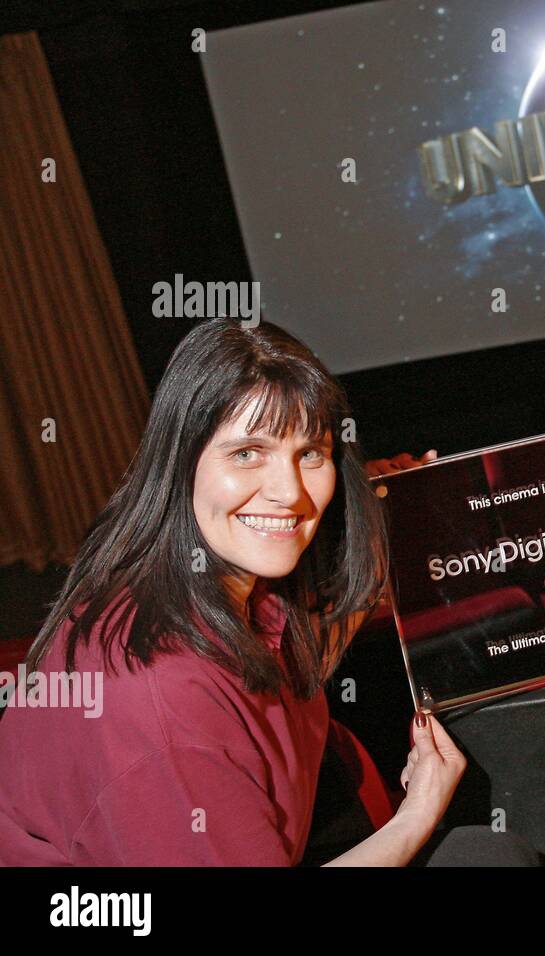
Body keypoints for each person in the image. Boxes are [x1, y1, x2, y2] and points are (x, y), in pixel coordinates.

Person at [0, 319, 465, 865]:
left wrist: (391, 521)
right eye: (247, 453)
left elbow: (295, 670)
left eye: (310, 453)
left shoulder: (218, 586)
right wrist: (420, 811)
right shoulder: (163, 702)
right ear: (180, 462)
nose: (290, 492)